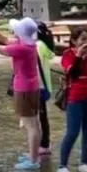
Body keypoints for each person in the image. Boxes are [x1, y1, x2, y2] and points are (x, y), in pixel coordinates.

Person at [0, 17, 42, 170]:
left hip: (24, 88)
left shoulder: (22, 48)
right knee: (33, 123)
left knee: (30, 125)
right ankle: (33, 154)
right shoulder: (28, 44)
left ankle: (33, 161)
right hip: (31, 87)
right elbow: (5, 40)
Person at [57, 26, 87, 172]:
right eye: (83, 39)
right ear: (73, 40)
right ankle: (62, 165)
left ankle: (84, 163)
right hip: (75, 96)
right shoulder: (68, 55)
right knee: (73, 132)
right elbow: (74, 74)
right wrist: (78, 56)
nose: (86, 42)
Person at [35, 22, 55, 159]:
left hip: (39, 85)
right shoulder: (44, 46)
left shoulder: (37, 46)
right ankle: (44, 143)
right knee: (42, 116)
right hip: (44, 85)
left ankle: (44, 144)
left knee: (40, 117)